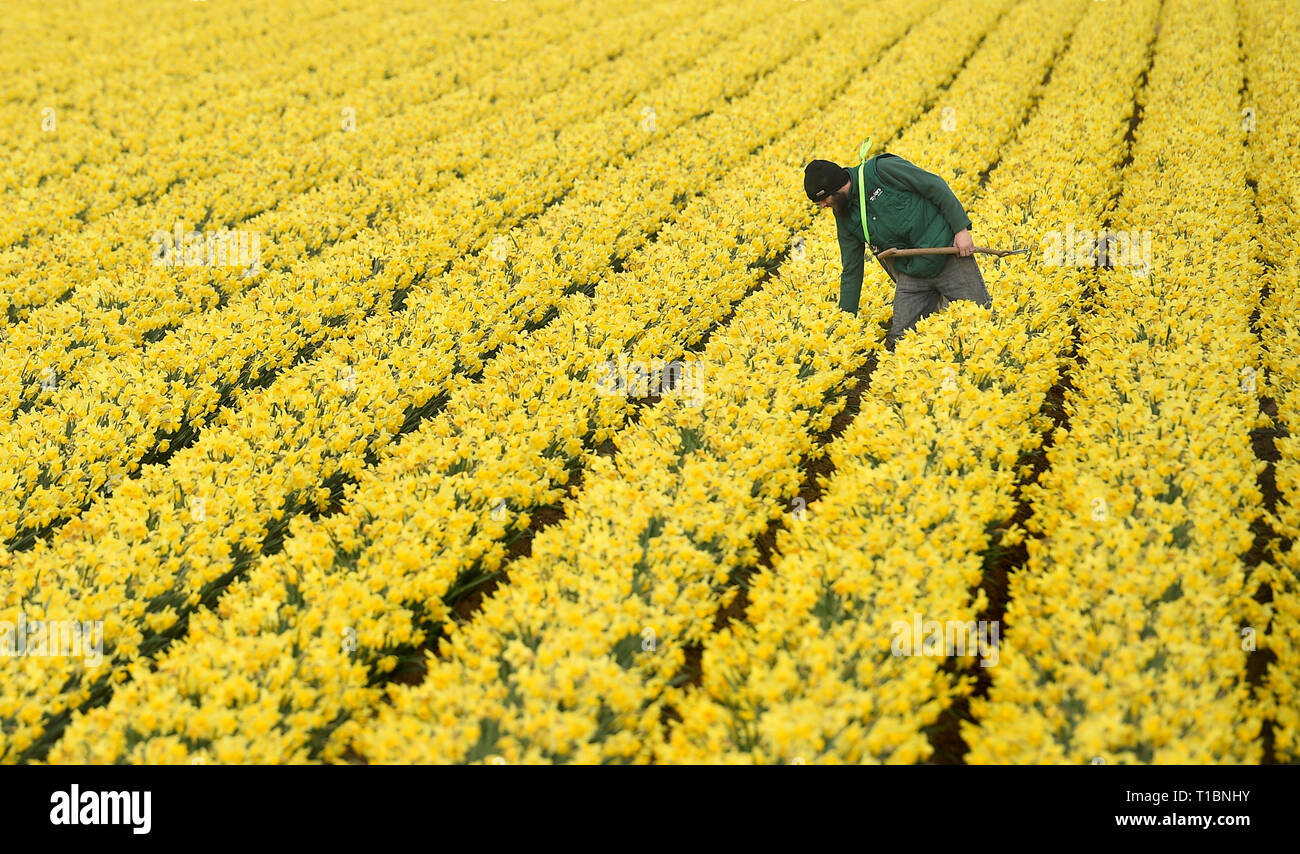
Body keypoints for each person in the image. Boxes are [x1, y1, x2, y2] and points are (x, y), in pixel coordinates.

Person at [804, 153, 991, 351]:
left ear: (836, 188)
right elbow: (851, 268)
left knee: (981, 322)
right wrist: (845, 321)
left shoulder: (881, 170)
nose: (823, 205)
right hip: (912, 274)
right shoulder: (843, 214)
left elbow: (934, 186)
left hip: (947, 256)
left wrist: (961, 230)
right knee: (900, 343)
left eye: (823, 199)